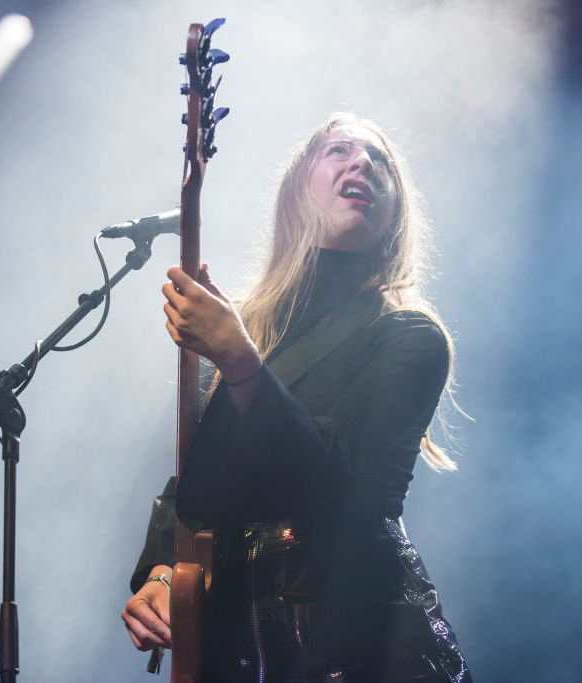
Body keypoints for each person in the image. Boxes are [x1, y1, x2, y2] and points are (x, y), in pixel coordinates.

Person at [121, 112, 472, 682]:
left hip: (359, 648)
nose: (363, 163)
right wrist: (162, 574)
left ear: (394, 220)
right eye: (339, 150)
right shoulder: (249, 334)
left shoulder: (410, 337)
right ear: (295, 190)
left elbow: (339, 490)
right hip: (239, 650)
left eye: (378, 160)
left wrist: (239, 362)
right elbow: (196, 484)